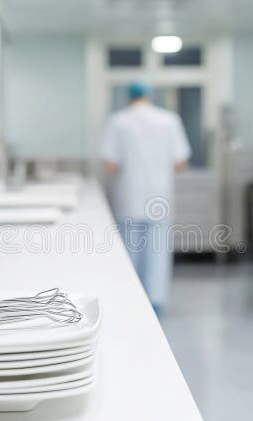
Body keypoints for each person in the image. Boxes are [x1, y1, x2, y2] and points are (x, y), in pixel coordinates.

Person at [102, 80, 191, 316]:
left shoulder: (118, 121)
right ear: (149, 95)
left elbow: (110, 165)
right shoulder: (169, 120)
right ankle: (156, 301)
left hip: (130, 196)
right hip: (159, 197)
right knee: (158, 253)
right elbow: (180, 162)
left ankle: (132, 300)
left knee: (131, 252)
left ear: (128, 96)